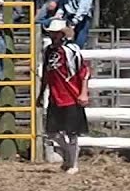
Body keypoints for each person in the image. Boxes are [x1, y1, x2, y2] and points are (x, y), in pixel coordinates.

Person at [37, 18, 91, 174]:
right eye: (52, 33)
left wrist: (83, 92)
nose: (54, 36)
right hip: (55, 95)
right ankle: (69, 156)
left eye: (56, 33)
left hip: (71, 95)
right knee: (52, 133)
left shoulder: (71, 50)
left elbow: (84, 72)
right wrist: (41, 94)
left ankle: (73, 163)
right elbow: (47, 74)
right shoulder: (49, 51)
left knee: (71, 132)